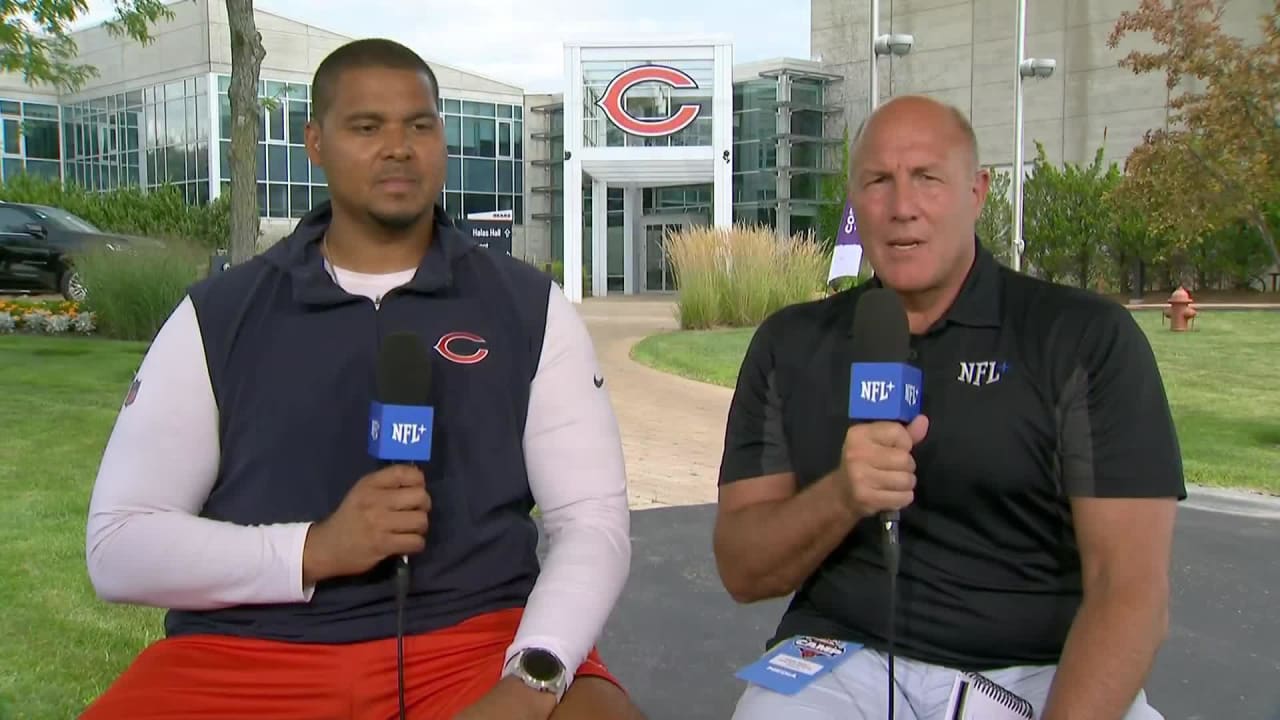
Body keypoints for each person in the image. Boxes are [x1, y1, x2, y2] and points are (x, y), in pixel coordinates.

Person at [81, 38, 645, 720]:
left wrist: (530, 685)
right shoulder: (218, 317)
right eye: (367, 126)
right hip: (251, 652)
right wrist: (314, 549)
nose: (399, 147)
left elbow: (593, 524)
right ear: (315, 142)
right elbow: (119, 548)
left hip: (476, 641)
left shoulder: (528, 307)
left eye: (420, 124)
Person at [713, 95, 1185, 720]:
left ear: (977, 190)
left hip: (1037, 671)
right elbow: (744, 570)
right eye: (879, 181)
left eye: (928, 178)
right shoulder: (791, 342)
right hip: (842, 657)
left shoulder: (1081, 338)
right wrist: (843, 496)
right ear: (855, 201)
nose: (902, 207)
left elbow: (1129, 589)